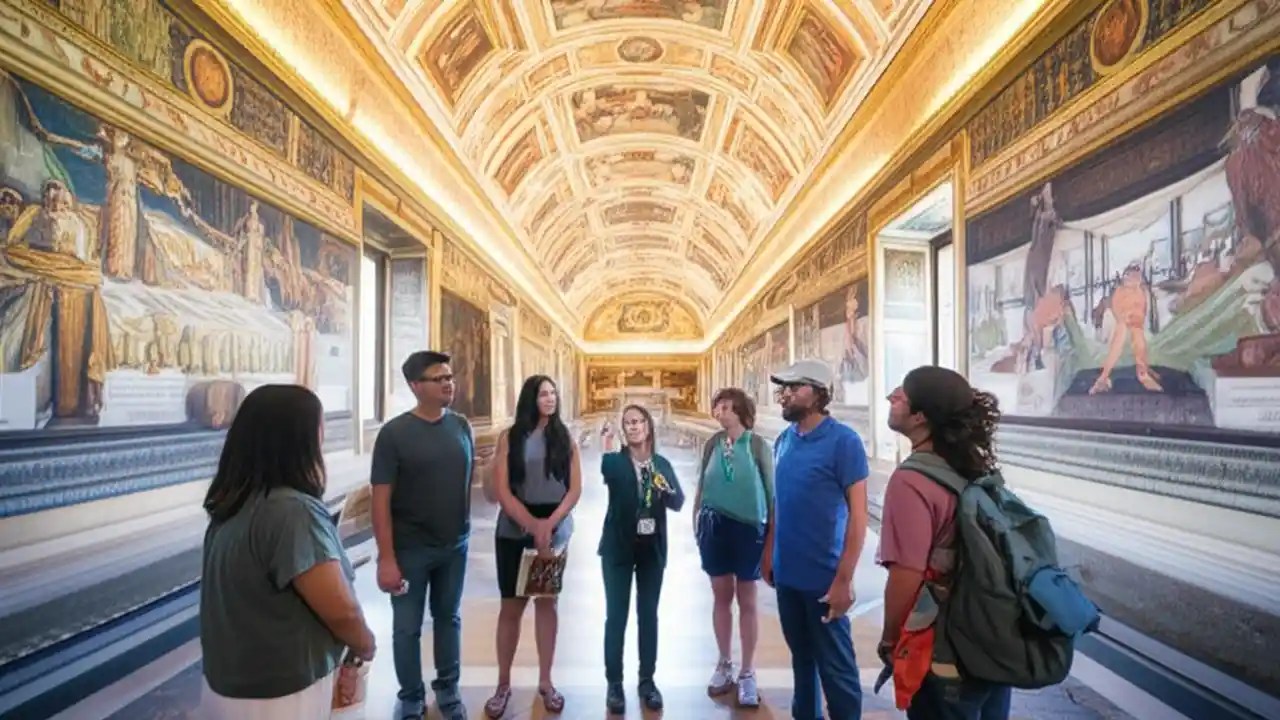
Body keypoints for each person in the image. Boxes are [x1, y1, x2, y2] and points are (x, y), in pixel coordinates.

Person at [199, 384, 375, 719]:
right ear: (299, 439)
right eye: (319, 428)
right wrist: (365, 644)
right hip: (280, 696)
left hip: (228, 689)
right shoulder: (293, 512)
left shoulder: (231, 506)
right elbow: (341, 611)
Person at [879, 366, 1011, 719]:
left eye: (901, 395)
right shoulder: (974, 468)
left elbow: (907, 575)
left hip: (943, 649)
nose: (891, 397)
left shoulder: (911, 480)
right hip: (990, 639)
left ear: (920, 417)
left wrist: (891, 639)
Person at [371, 351, 474, 720]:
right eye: (438, 378)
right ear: (416, 386)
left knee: (449, 618)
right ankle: (411, 695)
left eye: (450, 376)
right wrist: (386, 558)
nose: (449, 383)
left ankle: (448, 688)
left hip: (454, 546)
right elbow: (380, 499)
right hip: (410, 549)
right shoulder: (394, 434)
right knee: (407, 628)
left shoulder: (461, 426)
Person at [766, 359, 870, 720]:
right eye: (785, 388)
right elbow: (779, 503)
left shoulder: (844, 442)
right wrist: (768, 555)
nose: (786, 394)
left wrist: (844, 579)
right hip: (788, 576)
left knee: (836, 668)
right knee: (801, 659)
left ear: (820, 394)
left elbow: (858, 518)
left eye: (796, 387)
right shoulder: (783, 441)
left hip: (824, 580)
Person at [484, 375, 583, 717]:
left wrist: (549, 525)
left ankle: (546, 681)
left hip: (553, 529)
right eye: (544, 394)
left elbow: (574, 489)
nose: (551, 399)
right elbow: (502, 490)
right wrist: (530, 524)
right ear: (531, 398)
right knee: (511, 607)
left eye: (554, 393)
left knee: (547, 604)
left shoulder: (564, 436)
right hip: (514, 529)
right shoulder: (509, 437)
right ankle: (502, 684)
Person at [598, 404, 686, 714]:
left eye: (638, 421)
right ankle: (614, 683)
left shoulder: (661, 464)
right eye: (628, 423)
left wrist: (663, 488)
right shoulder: (616, 462)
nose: (634, 427)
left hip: (652, 551)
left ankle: (647, 681)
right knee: (616, 617)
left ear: (648, 426)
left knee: (648, 615)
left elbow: (678, 502)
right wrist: (608, 446)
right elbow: (608, 474)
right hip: (617, 549)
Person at [693, 387, 775, 706]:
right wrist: (696, 516)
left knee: (748, 598)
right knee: (721, 596)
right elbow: (702, 482)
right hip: (714, 526)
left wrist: (771, 536)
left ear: (741, 410)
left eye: (726, 406)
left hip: (749, 527)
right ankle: (724, 662)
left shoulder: (756, 445)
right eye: (717, 407)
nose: (720, 412)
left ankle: (748, 671)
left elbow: (771, 492)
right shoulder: (712, 443)